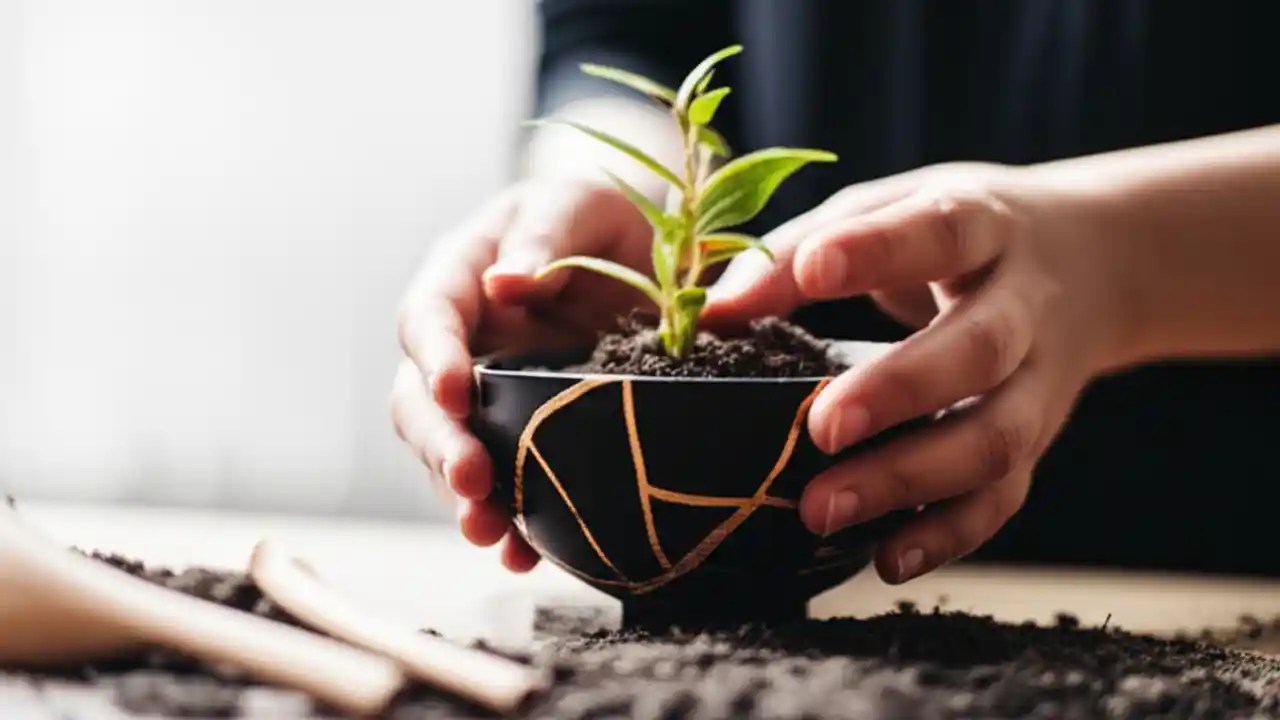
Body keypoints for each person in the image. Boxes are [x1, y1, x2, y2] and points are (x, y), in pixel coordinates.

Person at [392, 1, 1280, 583]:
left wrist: (1123, 261)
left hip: (1216, 567)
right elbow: (624, 36)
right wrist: (600, 202)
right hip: (795, 576)